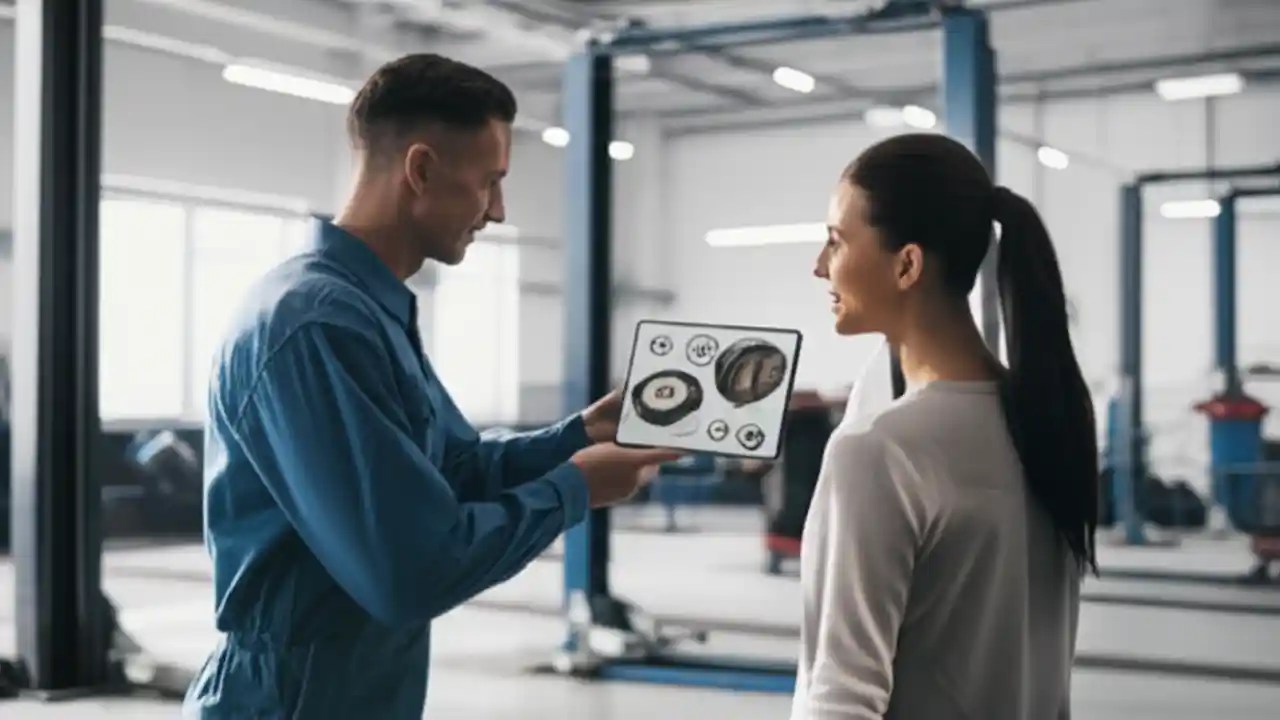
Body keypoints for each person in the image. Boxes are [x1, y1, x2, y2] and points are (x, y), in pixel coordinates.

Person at [182, 53, 680, 719]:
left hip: (355, 688)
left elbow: (449, 471)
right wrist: (576, 487)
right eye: (490, 182)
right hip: (292, 700)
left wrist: (576, 437)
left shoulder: (366, 308)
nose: (497, 211)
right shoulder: (317, 324)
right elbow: (409, 571)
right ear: (420, 170)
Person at [791, 133, 1098, 719]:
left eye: (836, 240)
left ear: (906, 264)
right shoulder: (1048, 420)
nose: (819, 265)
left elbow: (842, 698)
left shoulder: (879, 451)